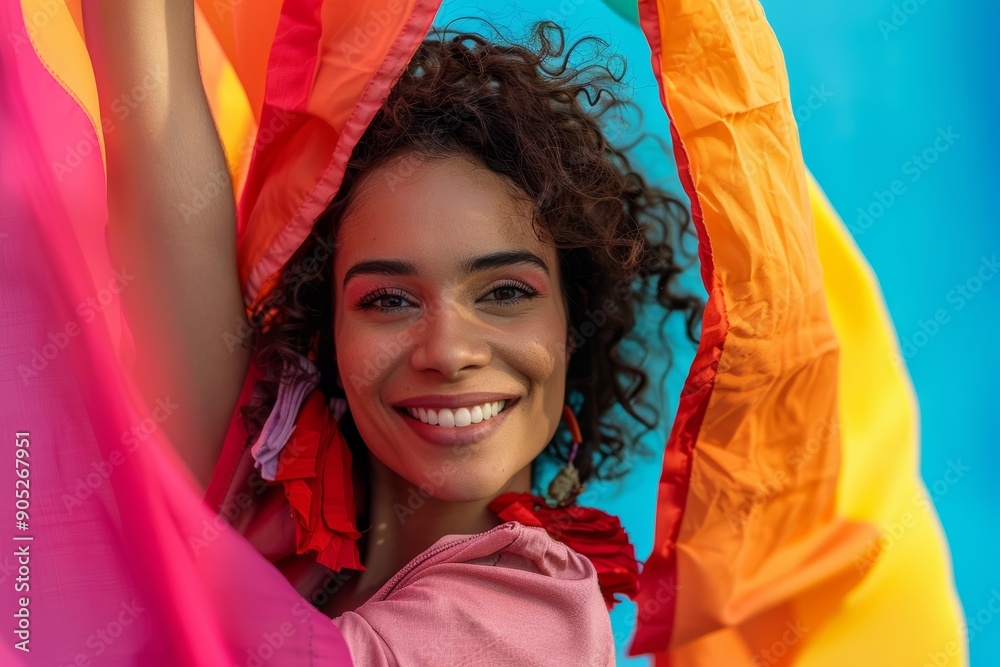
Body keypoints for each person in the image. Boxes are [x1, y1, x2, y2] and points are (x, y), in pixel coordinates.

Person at [84, 2, 702, 663]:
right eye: (388, 300)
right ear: (329, 334)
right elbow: (152, 122)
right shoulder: (261, 485)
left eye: (505, 293)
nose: (449, 351)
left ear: (570, 326)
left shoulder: (540, 623)